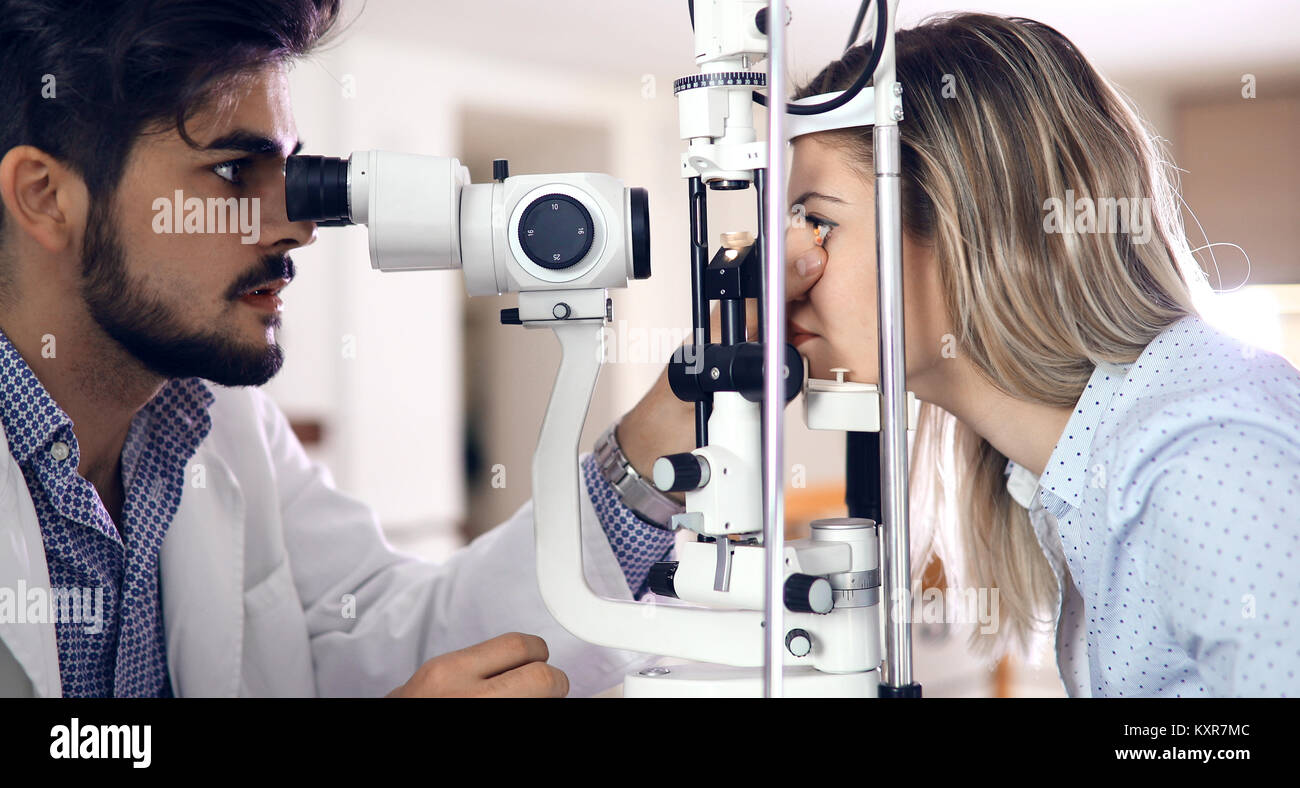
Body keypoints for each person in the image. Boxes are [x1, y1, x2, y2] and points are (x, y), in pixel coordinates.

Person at [0, 0, 831, 698]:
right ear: (46, 197)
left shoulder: (215, 421)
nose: (294, 225)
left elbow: (410, 634)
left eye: (290, 172)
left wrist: (680, 409)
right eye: (229, 174)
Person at [783, 13, 1300, 696]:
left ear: (969, 218)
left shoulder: (1202, 461)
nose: (787, 268)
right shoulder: (1076, 479)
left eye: (818, 221)